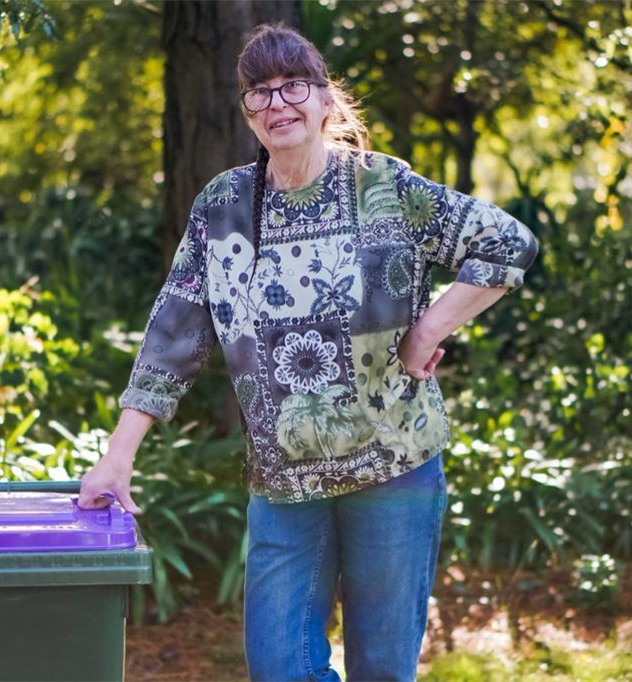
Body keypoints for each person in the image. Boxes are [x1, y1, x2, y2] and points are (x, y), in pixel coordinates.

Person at [80, 22, 539, 682]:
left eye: (293, 85)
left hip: (393, 471)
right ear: (247, 113)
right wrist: (117, 458)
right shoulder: (225, 207)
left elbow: (507, 245)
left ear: (326, 99)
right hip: (285, 486)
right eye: (259, 92)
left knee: (382, 669)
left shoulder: (384, 188)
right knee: (280, 667)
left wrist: (428, 331)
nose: (277, 103)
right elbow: (174, 332)